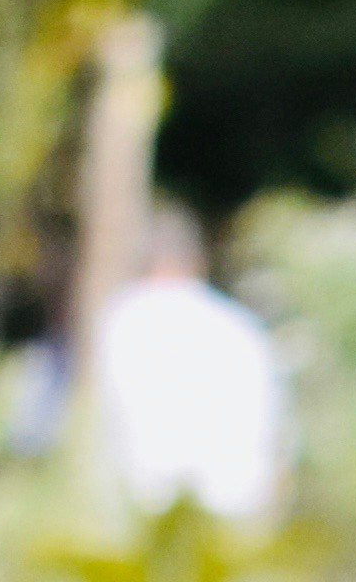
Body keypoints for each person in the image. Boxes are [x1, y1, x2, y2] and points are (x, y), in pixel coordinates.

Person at [88, 204, 289, 525]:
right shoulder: (241, 326)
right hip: (234, 504)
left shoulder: (122, 317)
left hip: (149, 505)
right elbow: (274, 428)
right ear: (198, 261)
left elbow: (107, 415)